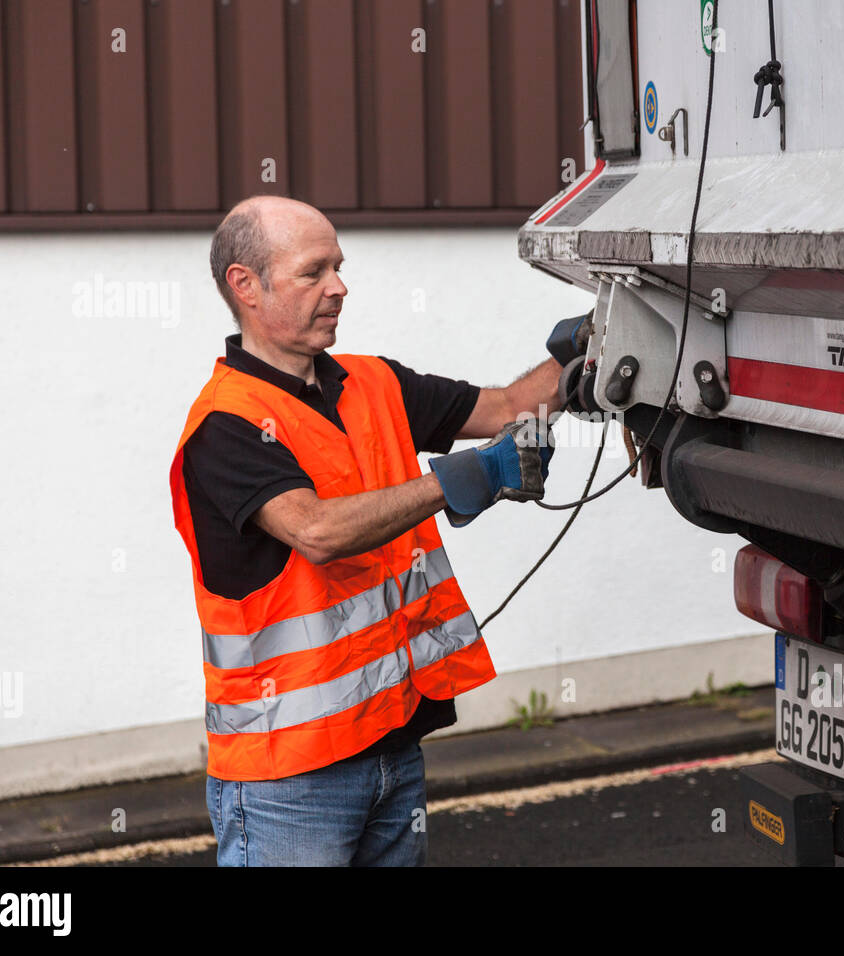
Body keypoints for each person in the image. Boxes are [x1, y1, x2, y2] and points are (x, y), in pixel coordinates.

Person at [168, 195, 592, 866]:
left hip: (393, 743)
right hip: (290, 776)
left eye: (338, 267)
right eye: (314, 272)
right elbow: (317, 530)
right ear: (246, 286)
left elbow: (509, 407)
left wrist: (592, 352)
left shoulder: (373, 382)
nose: (339, 286)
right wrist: (461, 479)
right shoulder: (227, 424)